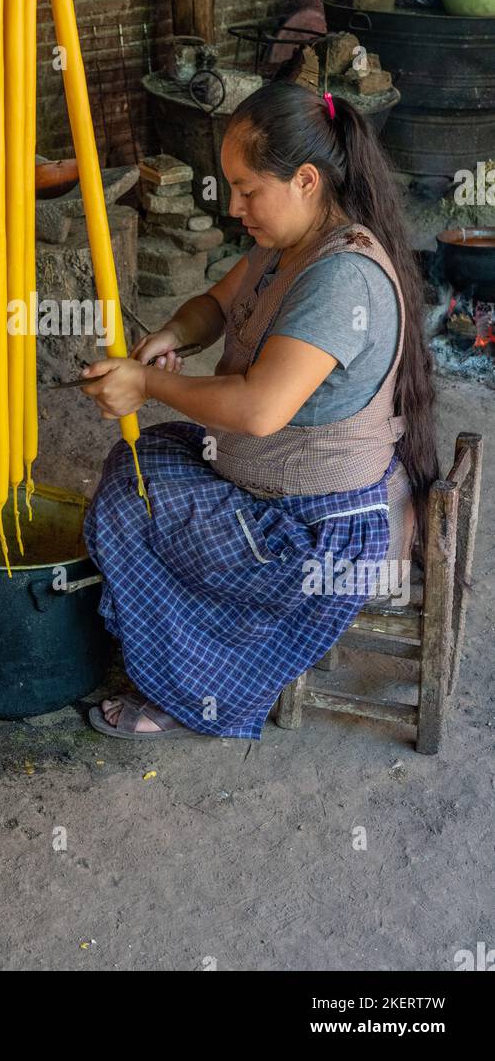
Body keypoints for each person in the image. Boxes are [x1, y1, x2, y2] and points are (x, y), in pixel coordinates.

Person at [79, 81, 438, 740]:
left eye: (246, 189)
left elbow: (257, 410)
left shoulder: (340, 278)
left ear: (304, 179)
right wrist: (168, 337)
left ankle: (190, 687)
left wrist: (145, 384)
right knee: (138, 464)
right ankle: (180, 640)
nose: (234, 206)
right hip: (277, 495)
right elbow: (213, 305)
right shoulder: (286, 244)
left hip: (314, 538)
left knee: (133, 505)